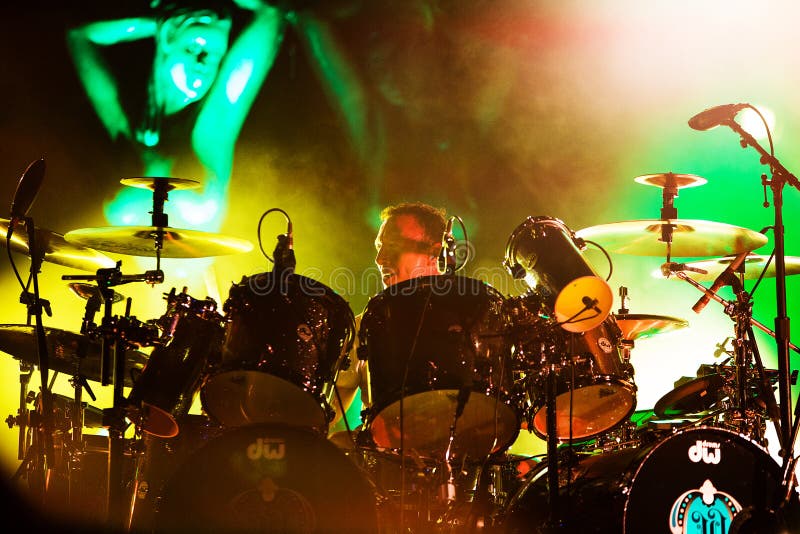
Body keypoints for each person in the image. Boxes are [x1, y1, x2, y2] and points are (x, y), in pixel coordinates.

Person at [67, 0, 285, 232]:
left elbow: (271, 16)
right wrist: (157, 25)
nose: (202, 61)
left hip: (198, 268)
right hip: (124, 267)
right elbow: (80, 37)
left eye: (214, 54)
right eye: (192, 47)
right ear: (168, 40)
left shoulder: (212, 125)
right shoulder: (123, 123)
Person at [331, 201, 447, 434]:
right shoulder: (364, 325)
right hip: (381, 460)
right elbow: (328, 412)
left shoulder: (471, 322)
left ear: (433, 253)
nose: (380, 258)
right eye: (379, 247)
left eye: (393, 245)